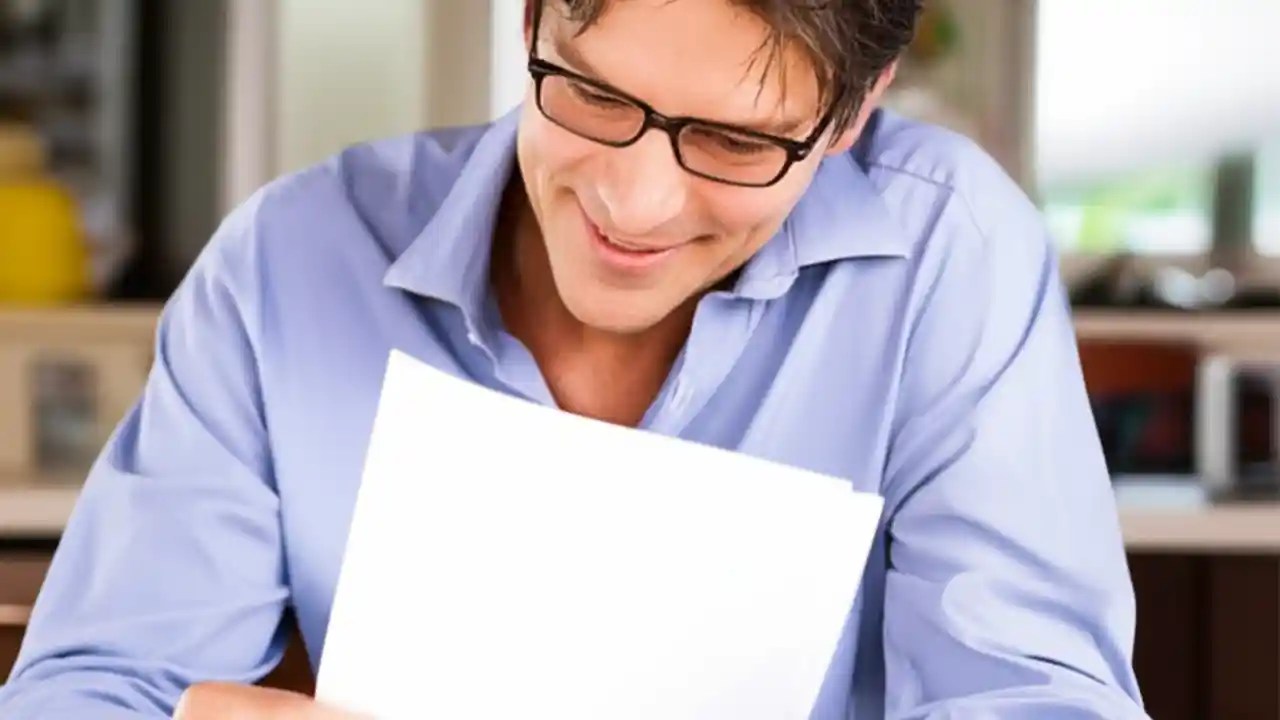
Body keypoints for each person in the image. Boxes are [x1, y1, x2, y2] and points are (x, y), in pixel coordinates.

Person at [0, 0, 1149, 717]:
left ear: (851, 115)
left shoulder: (946, 252)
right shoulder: (292, 259)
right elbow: (87, 690)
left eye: (736, 140)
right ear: (530, 24)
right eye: (594, 94)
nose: (633, 204)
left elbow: (1032, 699)